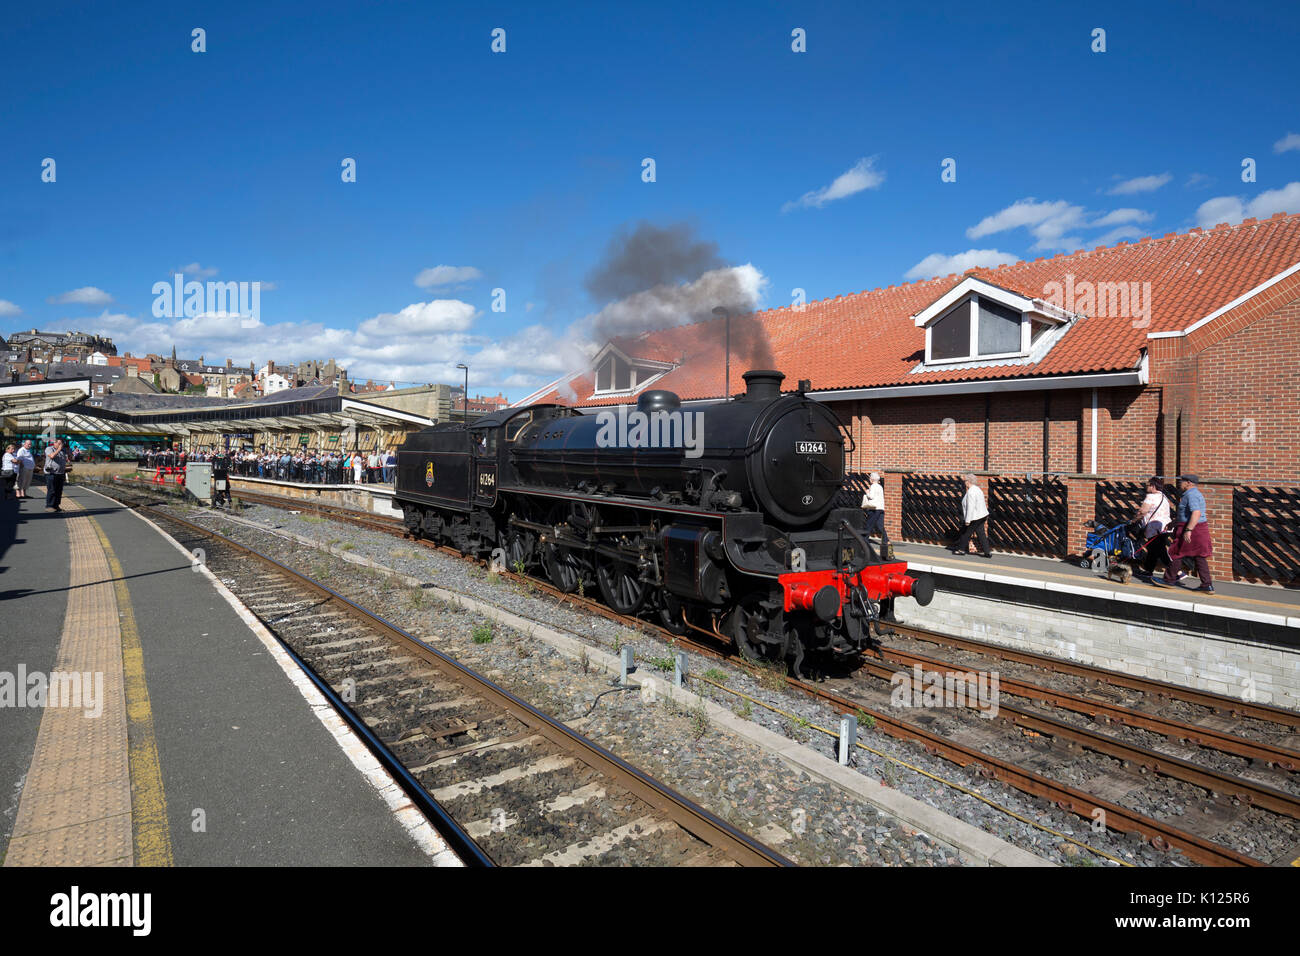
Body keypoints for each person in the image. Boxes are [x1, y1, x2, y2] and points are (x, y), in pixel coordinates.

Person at [1156, 474, 1214, 593]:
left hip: (1192, 529)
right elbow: (1186, 514)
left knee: (1176, 552)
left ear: (1188, 483)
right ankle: (1207, 585)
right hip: (1198, 529)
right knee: (1200, 556)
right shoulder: (1194, 494)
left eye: (1181, 481)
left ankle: (1169, 580)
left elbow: (1196, 513)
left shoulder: (1191, 495)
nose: (1179, 483)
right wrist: (1173, 523)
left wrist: (1188, 530)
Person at [1133, 477, 1173, 580]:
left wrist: (1134, 520)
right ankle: (1148, 571)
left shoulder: (1150, 496)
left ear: (1153, 486)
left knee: (1160, 551)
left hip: (1154, 529)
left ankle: (1176, 571)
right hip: (1164, 528)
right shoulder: (1164, 497)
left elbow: (1143, 511)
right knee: (1153, 551)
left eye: (1148, 485)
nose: (1146, 487)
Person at [952, 472, 992, 558]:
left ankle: (961, 550)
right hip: (982, 515)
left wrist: (967, 520)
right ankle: (987, 552)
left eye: (965, 480)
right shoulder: (978, 489)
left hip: (975, 517)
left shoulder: (971, 492)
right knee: (981, 534)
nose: (964, 482)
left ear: (968, 481)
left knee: (966, 533)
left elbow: (970, 507)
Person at [860, 471, 890, 555]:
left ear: (872, 479)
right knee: (880, 526)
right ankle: (886, 541)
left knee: (869, 525)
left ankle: (864, 541)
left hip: (874, 509)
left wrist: (867, 492)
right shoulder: (880, 487)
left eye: (870, 478)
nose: (869, 479)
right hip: (881, 508)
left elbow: (871, 496)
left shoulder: (873, 486)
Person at [43, 438, 68, 512]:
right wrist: (59, 449)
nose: (60, 445)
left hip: (60, 473)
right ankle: (49, 506)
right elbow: (52, 456)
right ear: (55, 443)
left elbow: (66, 460)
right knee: (52, 490)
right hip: (51, 473)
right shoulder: (49, 448)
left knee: (59, 491)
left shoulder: (62, 451)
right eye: (59, 443)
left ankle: (56, 506)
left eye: (61, 444)